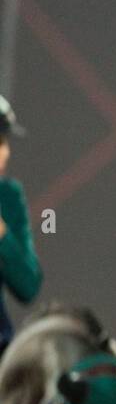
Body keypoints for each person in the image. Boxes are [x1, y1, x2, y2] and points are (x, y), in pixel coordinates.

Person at [0, 95, 42, 357]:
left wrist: (2, 235)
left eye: (4, 143)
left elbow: (28, 285)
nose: (6, 152)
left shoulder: (9, 197)